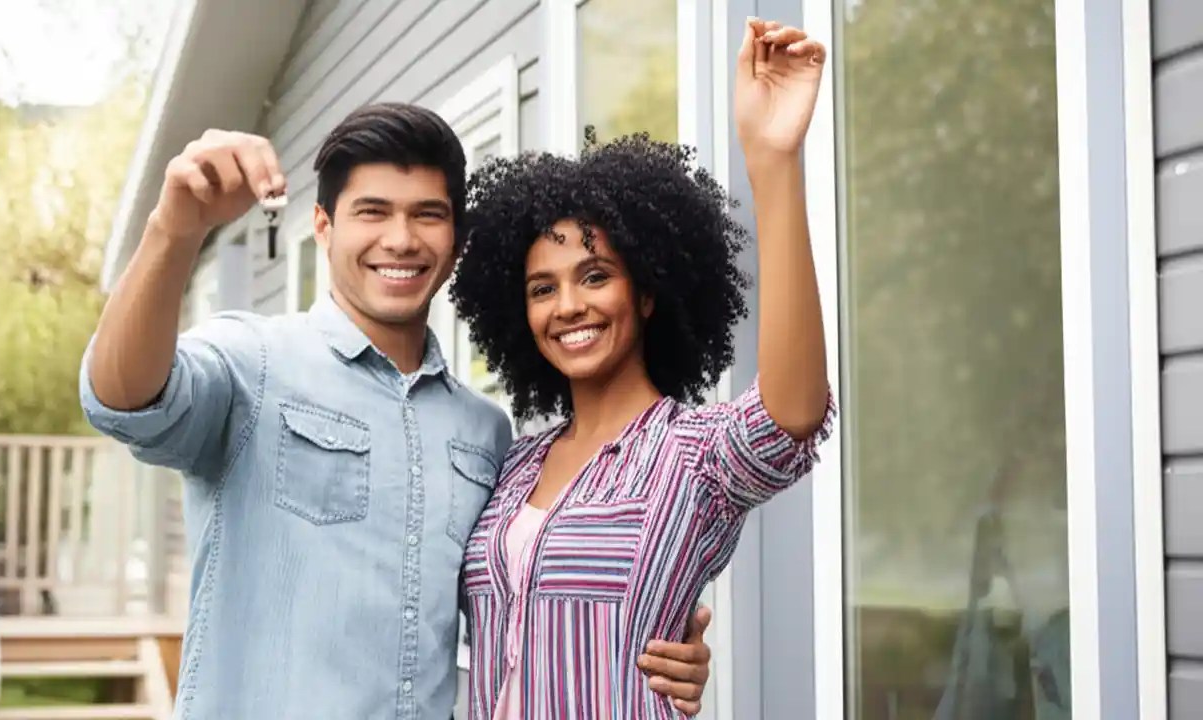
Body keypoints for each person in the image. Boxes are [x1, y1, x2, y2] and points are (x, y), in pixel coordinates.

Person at [79, 103, 712, 719]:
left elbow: (518, 596)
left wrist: (653, 647)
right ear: (324, 228)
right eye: (372, 212)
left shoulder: (486, 432)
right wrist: (174, 230)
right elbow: (124, 399)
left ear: (457, 241)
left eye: (427, 215)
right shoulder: (254, 363)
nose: (401, 239)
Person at [449, 18, 835, 718]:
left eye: (595, 276)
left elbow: (793, 414)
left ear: (647, 291)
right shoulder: (514, 465)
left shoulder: (695, 456)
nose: (569, 305)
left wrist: (772, 161)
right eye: (543, 288)